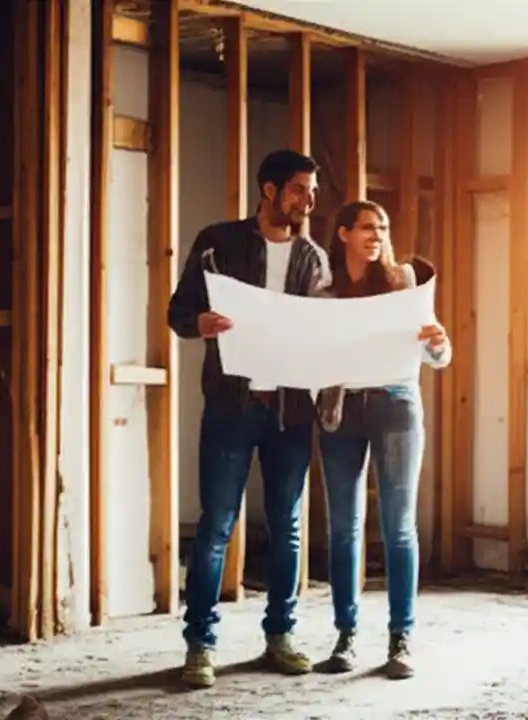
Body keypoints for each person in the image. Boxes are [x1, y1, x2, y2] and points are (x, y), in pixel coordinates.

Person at [168, 149, 331, 688]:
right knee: (216, 525)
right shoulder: (218, 242)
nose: (308, 201)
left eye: (312, 192)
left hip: (291, 412)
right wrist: (200, 323)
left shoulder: (313, 258)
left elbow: (321, 331)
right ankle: (200, 645)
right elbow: (177, 312)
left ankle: (280, 636)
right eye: (299, 190)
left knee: (287, 528)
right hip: (231, 407)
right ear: (269, 190)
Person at [311, 200, 451, 680]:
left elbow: (437, 356)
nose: (377, 235)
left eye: (384, 228)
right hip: (341, 407)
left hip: (395, 403)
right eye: (368, 227)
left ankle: (400, 639)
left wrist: (438, 342)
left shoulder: (404, 284)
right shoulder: (324, 294)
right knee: (343, 528)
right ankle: (345, 637)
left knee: (398, 526)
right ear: (344, 233)